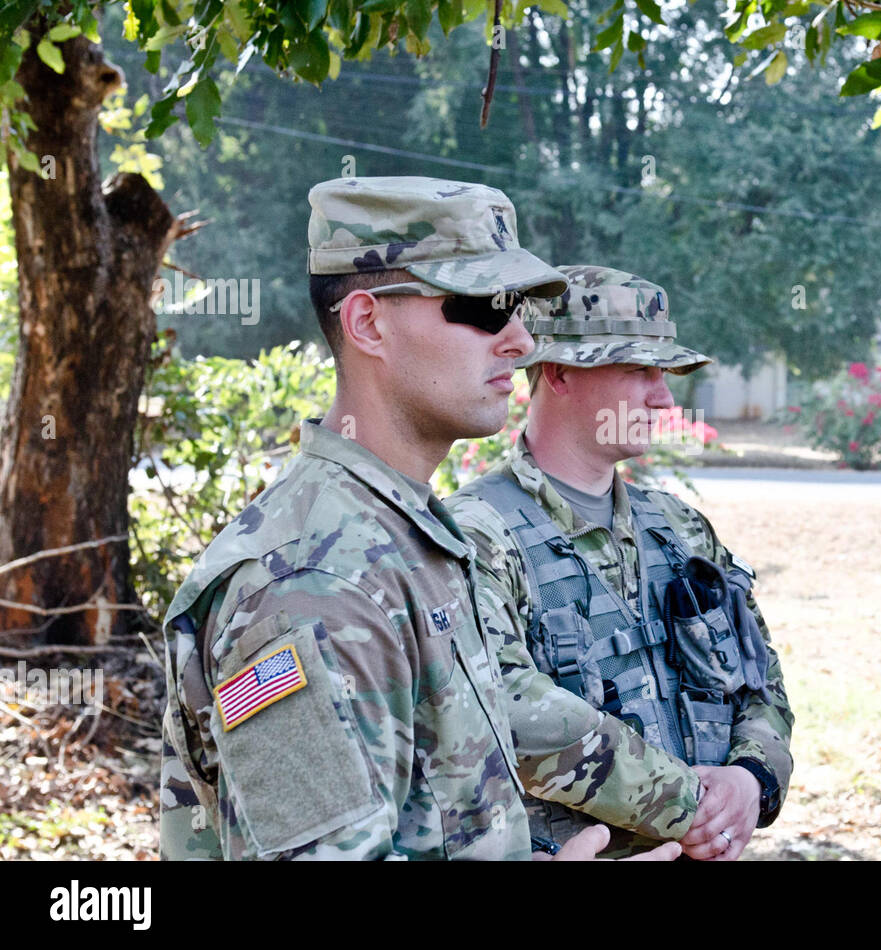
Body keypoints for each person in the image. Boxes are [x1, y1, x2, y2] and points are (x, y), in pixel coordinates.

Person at [158, 177, 676, 861]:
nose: (521, 340)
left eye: (517, 308)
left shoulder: (407, 536)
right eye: (485, 308)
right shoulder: (311, 583)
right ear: (368, 323)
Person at [446, 266, 794, 859]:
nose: (662, 396)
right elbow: (504, 709)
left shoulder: (680, 529)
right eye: (638, 370)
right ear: (557, 372)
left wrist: (750, 780)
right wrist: (687, 805)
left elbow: (761, 681)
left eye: (664, 373)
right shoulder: (477, 534)